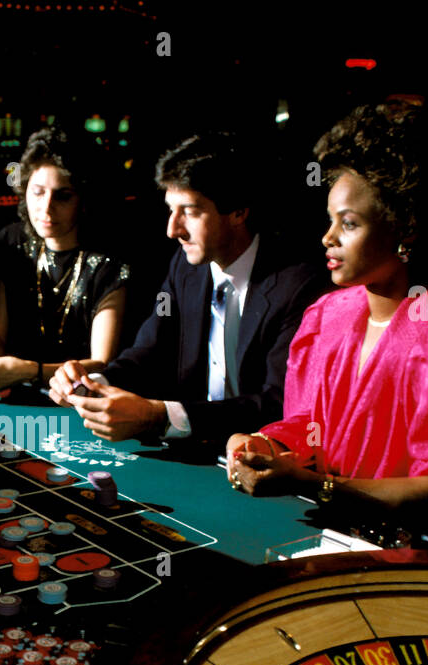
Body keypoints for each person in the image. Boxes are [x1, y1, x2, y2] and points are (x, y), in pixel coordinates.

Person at [225, 103, 428, 515]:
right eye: (330, 221)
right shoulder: (326, 315)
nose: (328, 237)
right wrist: (261, 444)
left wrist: (320, 486)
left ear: (404, 228)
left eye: (349, 224)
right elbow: (310, 430)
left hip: (408, 554)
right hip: (324, 527)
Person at [48, 132, 326, 450]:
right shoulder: (186, 264)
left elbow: (279, 403)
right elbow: (148, 352)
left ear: (238, 212)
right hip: (196, 450)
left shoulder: (298, 284)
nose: (173, 229)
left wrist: (161, 416)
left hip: (263, 459)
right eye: (171, 209)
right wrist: (92, 383)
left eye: (191, 212)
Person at [0, 126, 127, 391]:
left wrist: (29, 371)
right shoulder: (12, 243)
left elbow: (104, 363)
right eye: (38, 192)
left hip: (82, 399)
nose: (46, 208)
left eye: (63, 196)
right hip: (17, 394)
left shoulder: (108, 261)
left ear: (84, 198)